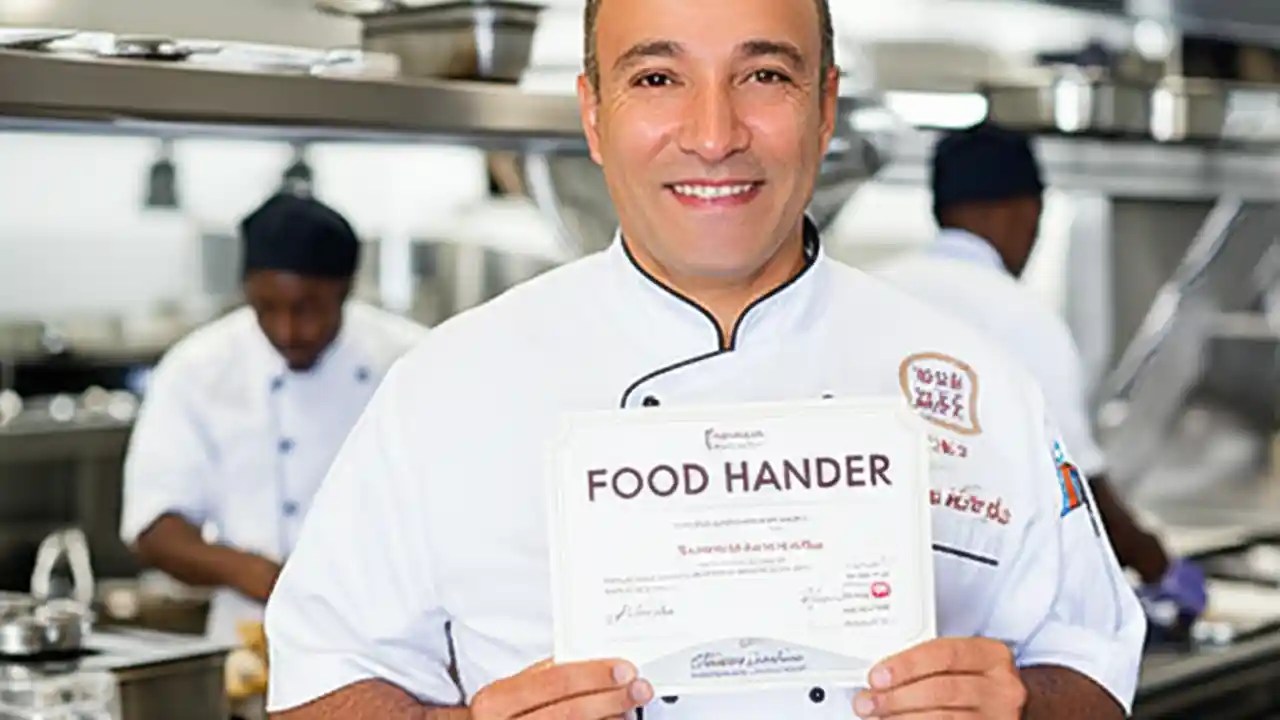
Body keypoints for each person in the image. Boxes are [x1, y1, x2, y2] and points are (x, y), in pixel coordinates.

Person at [264, 0, 1145, 718]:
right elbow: (315, 685)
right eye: (657, 78)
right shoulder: (446, 385)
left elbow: (1095, 670)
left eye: (764, 75)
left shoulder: (977, 381)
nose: (715, 133)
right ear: (594, 115)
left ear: (825, 107)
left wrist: (1023, 707)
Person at [873, 123, 1207, 628]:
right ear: (1024, 211)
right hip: (984, 609)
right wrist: (1158, 566)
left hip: (877, 593)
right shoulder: (1017, 314)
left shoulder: (873, 292)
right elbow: (1075, 485)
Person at [120, 191, 428, 646]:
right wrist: (261, 576)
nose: (286, 330)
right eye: (266, 308)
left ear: (344, 290)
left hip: (393, 637)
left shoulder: (412, 362)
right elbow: (154, 526)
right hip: (248, 641)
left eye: (307, 309)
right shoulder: (196, 369)